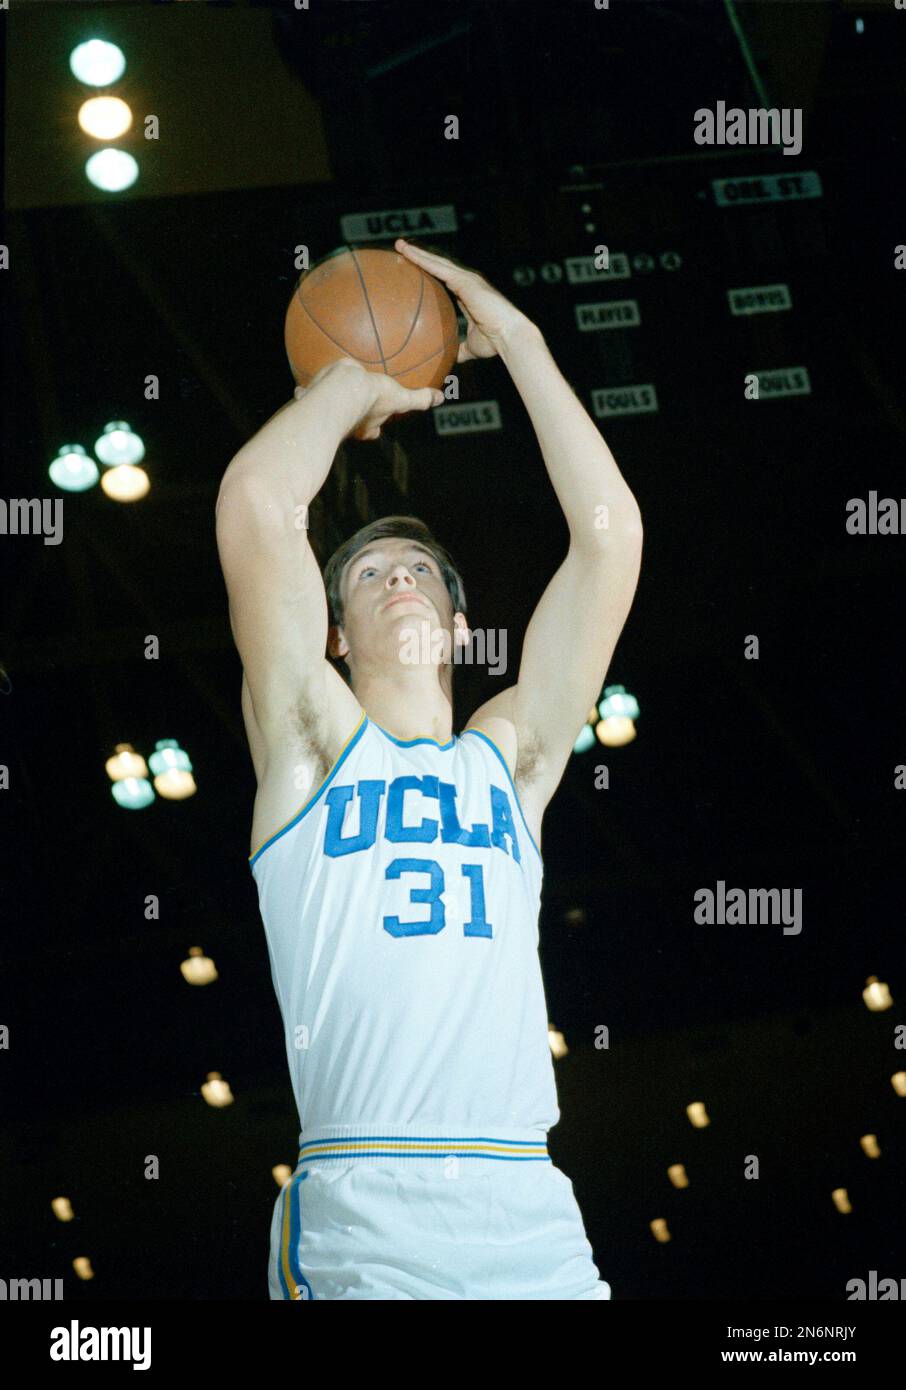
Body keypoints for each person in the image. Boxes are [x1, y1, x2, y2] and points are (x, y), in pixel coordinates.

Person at [215, 239, 643, 1299]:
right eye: (368, 570)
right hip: (368, 1206)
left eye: (419, 570)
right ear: (336, 635)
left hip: (531, 1210)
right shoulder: (311, 740)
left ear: (455, 626)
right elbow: (259, 506)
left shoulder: (512, 763)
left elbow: (609, 540)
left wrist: (527, 344)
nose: (397, 575)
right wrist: (351, 381)